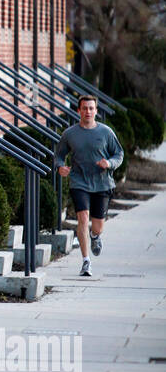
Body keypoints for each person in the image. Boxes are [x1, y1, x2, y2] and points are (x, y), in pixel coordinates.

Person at [55, 95, 123, 277]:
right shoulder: (69, 134)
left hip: (102, 183)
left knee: (97, 225)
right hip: (79, 181)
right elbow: (59, 155)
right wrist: (60, 167)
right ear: (79, 111)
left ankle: (95, 236)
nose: (88, 111)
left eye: (91, 108)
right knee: (83, 218)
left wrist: (109, 163)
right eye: (84, 108)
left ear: (96, 111)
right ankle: (86, 262)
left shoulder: (106, 132)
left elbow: (119, 154)